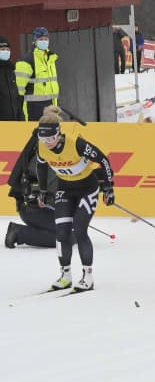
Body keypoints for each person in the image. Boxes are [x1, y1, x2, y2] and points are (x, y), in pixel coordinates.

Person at [34, 108, 116, 291]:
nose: (47, 143)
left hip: (87, 188)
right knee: (61, 232)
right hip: (65, 188)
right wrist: (43, 190)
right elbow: (41, 167)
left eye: (50, 139)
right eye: (43, 139)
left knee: (80, 230)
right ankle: (65, 275)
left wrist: (109, 187)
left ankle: (88, 276)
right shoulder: (41, 147)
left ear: (59, 134)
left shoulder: (76, 144)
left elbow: (103, 160)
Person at [6, 128, 57, 248]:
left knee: (72, 235)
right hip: (33, 209)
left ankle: (25, 231)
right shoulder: (39, 160)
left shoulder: (50, 154)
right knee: (65, 237)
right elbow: (54, 186)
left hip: (46, 208)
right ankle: (18, 233)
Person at [13, 26, 59, 121]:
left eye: (46, 39)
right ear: (35, 40)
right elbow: (18, 90)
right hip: (33, 110)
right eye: (41, 39)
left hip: (50, 108)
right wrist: (20, 114)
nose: (44, 41)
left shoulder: (50, 59)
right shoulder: (26, 61)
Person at [0, 37, 23, 121]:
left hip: (14, 119)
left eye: (7, 49)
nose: (5, 51)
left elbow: (16, 97)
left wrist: (21, 117)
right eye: (2, 49)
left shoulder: (11, 70)